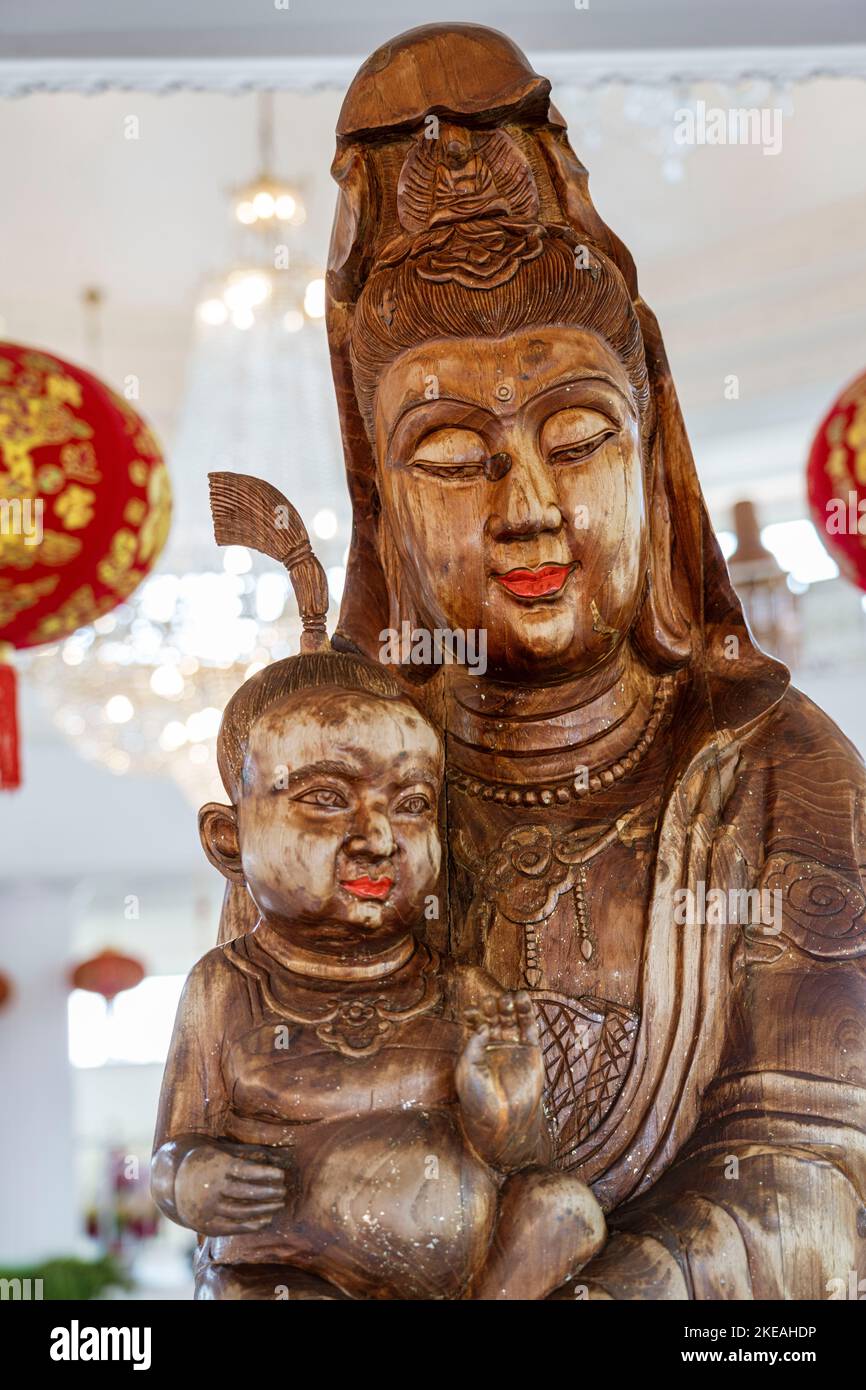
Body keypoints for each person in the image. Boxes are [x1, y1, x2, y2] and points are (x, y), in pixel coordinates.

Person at [151, 479, 604, 1300]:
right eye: (325, 799)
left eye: (410, 805)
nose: (376, 837)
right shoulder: (226, 991)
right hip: (288, 1275)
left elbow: (522, 1161)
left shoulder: (461, 993)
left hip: (463, 1277)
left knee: (563, 1209)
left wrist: (503, 1104)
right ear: (229, 838)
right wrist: (191, 1179)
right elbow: (174, 1147)